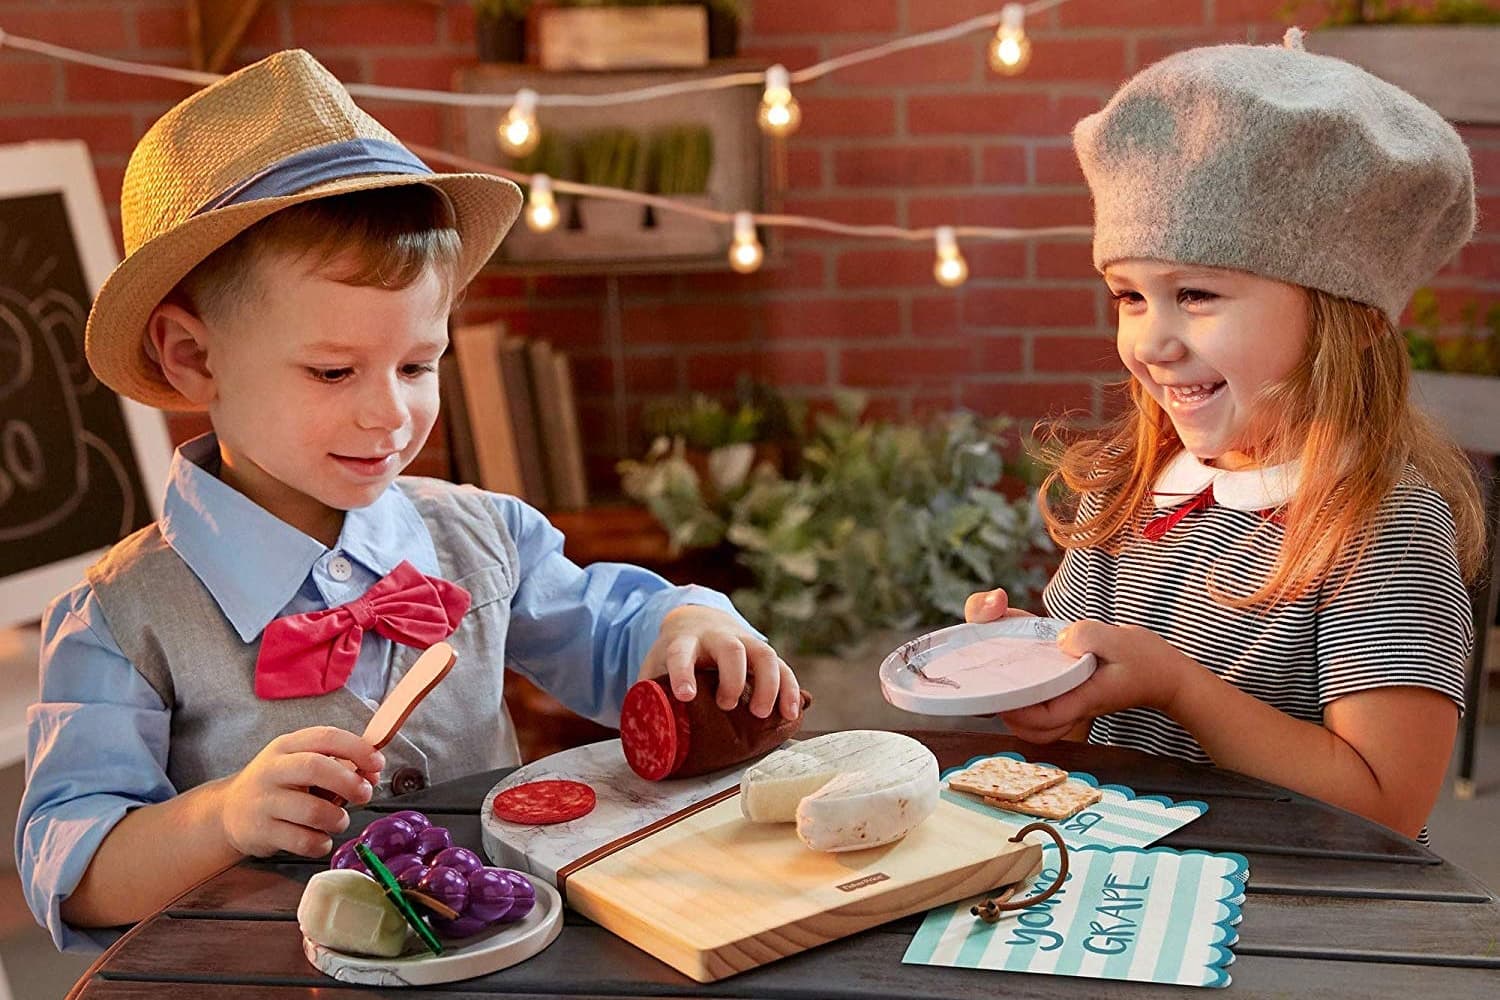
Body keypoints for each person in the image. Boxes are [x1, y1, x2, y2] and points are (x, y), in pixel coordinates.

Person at [17, 49, 800, 951]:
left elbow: (616, 634)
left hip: (499, 964)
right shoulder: (119, 620)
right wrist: (222, 817)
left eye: (419, 365)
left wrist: (684, 626)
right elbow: (75, 873)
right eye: (333, 371)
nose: (390, 414)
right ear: (194, 358)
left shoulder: (483, 537)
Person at [965, 29, 1482, 844]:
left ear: (1348, 322)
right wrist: (1037, 683)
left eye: (1197, 295)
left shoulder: (1382, 528)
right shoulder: (1128, 490)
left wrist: (1179, 688)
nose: (1151, 342)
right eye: (1129, 296)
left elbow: (1387, 807)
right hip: (1124, 887)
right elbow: (1085, 740)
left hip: (1299, 906)